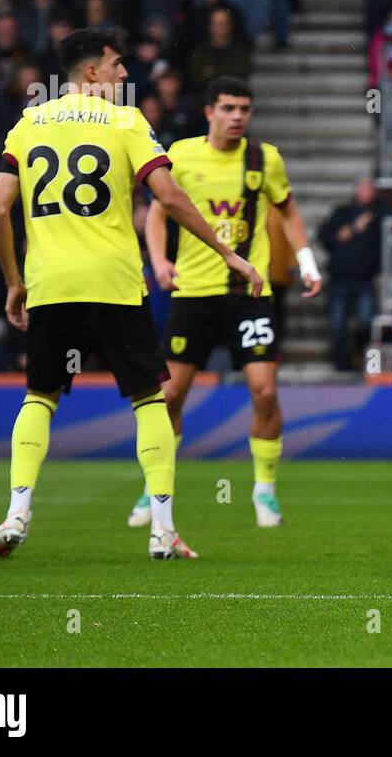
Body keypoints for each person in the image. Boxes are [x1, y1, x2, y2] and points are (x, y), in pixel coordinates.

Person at [0, 28, 263, 561]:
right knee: (148, 399)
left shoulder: (27, 124)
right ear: (91, 72)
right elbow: (171, 196)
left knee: (40, 396)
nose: (124, 75)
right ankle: (162, 530)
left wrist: (14, 282)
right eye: (116, 66)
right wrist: (226, 253)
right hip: (113, 282)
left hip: (50, 285)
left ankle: (17, 512)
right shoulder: (126, 121)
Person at [127, 76, 322, 529]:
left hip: (248, 294)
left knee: (265, 391)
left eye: (245, 109)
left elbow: (288, 210)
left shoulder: (263, 159)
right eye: (229, 108)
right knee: (171, 395)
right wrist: (158, 260)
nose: (237, 117)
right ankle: (154, 487)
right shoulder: (181, 155)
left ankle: (265, 490)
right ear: (209, 112)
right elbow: (158, 211)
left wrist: (307, 262)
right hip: (192, 292)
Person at [318, 178, 385, 371]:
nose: (366, 192)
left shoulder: (380, 212)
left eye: (370, 188)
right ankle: (341, 364)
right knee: (338, 325)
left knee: (366, 323)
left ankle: (359, 357)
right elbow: (323, 234)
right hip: (340, 278)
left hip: (365, 278)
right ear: (356, 190)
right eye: (363, 188)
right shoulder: (342, 212)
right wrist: (342, 233)